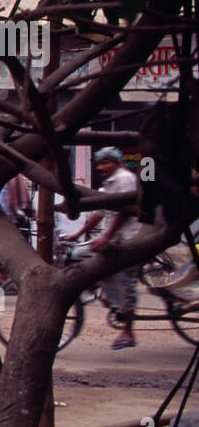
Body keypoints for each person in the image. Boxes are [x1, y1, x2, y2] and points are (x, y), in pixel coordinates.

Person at [66, 147, 141, 349]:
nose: (101, 168)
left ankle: (128, 331)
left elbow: (123, 212)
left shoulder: (124, 179)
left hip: (127, 239)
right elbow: (100, 212)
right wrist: (79, 233)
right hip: (110, 237)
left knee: (124, 280)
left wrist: (105, 236)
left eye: (105, 163)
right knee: (77, 254)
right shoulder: (109, 183)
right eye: (99, 164)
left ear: (117, 162)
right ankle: (97, 288)